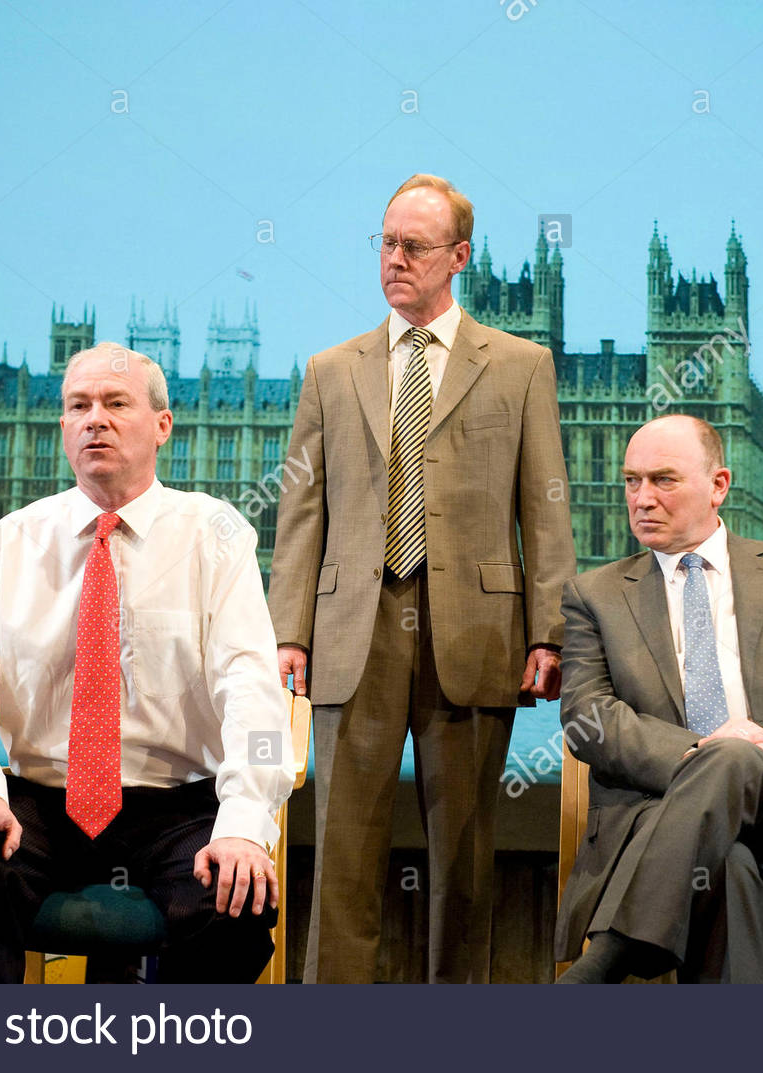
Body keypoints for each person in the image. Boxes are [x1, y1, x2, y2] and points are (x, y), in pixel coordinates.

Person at [268, 174, 576, 983]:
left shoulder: (520, 364)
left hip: (474, 633)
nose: (394, 259)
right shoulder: (331, 369)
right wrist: (288, 632)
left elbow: (545, 511)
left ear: (458, 257)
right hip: (350, 631)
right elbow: (300, 511)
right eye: (386, 242)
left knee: (466, 857)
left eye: (413, 246)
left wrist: (550, 631)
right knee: (340, 851)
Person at [0, 342, 292, 983]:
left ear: (163, 426)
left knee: (232, 902)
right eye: (79, 406)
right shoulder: (11, 542)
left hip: (175, 807)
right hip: (40, 803)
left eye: (117, 404)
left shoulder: (215, 535)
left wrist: (243, 825)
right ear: (62, 426)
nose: (96, 419)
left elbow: (253, 693)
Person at [554, 414, 763, 984]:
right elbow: (588, 718)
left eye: (663, 480)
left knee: (737, 756)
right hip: (659, 817)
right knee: (730, 870)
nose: (642, 499)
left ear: (719, 485)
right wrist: (705, 751)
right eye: (631, 481)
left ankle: (611, 956)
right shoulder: (594, 594)